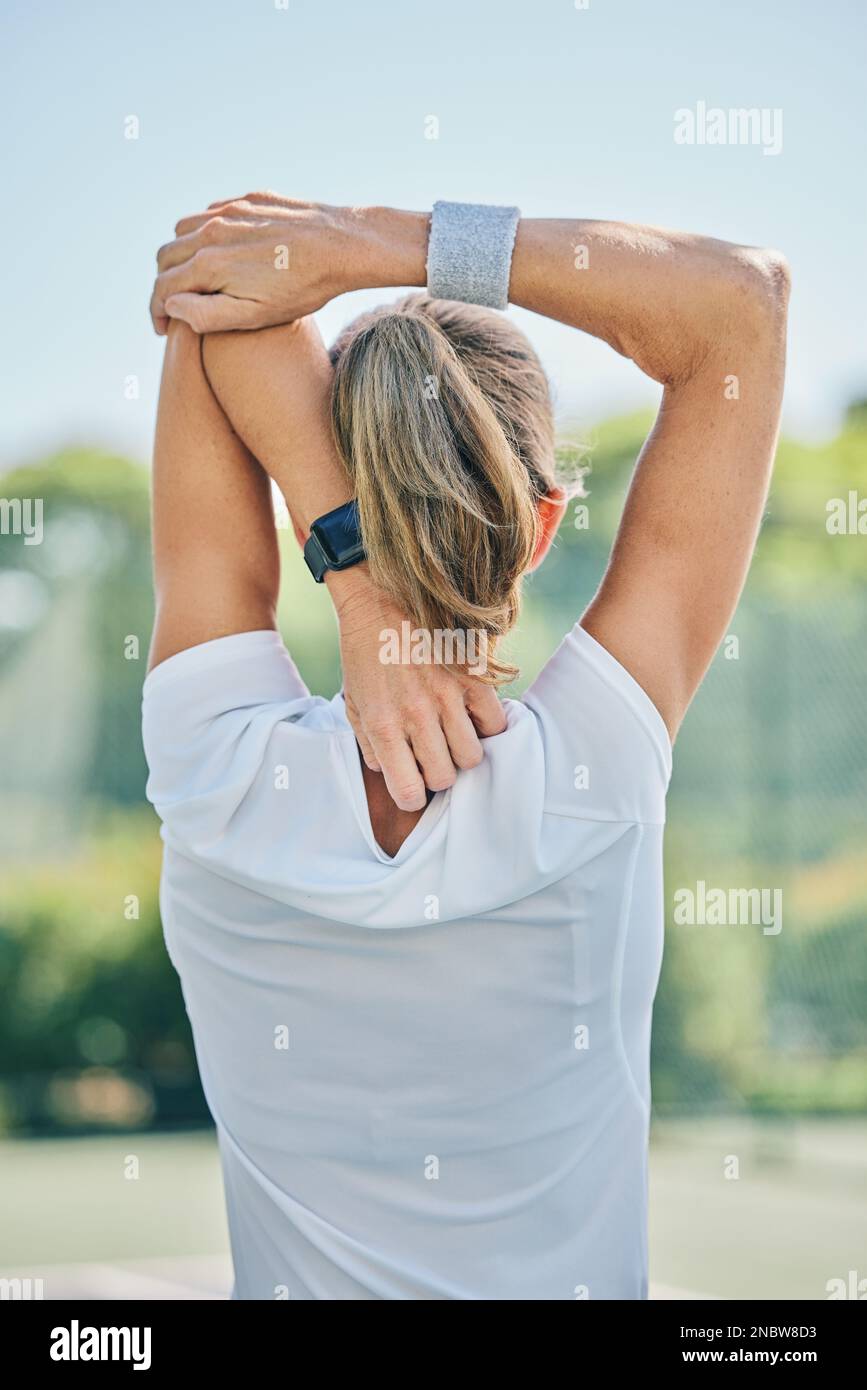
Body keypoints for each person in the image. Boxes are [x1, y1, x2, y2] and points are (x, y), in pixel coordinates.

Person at [143, 197, 788, 1299]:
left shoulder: (218, 770)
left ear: (329, 482)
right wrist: (381, 247)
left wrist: (354, 574)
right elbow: (744, 307)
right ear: (540, 526)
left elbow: (218, 299)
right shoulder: (594, 769)